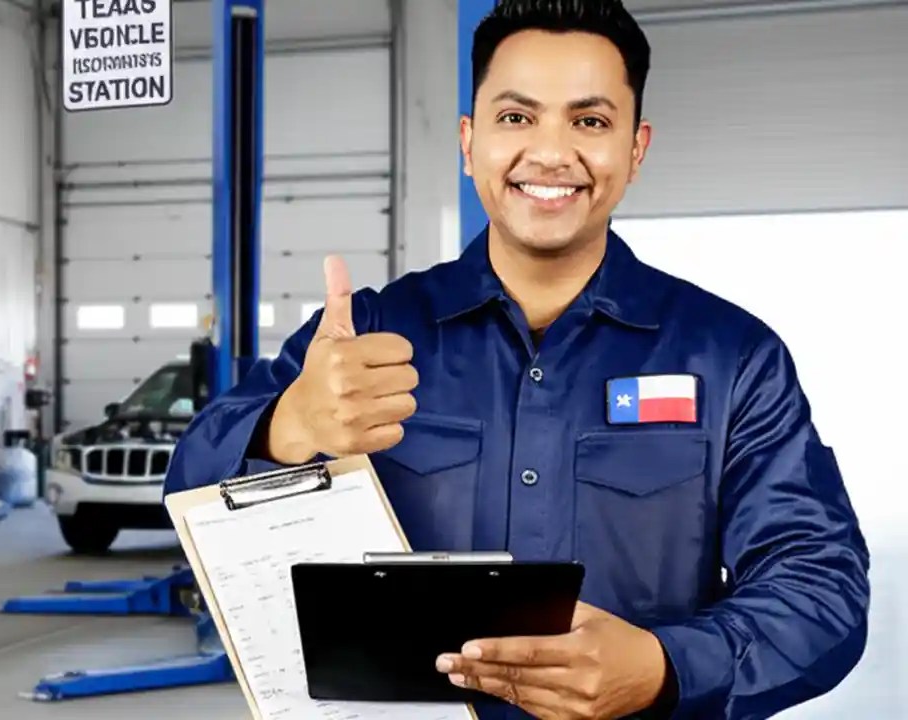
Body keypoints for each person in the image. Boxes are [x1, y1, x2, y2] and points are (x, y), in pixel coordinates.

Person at [162, 0, 871, 717]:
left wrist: (663, 667)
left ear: (635, 148)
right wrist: (286, 425)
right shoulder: (366, 334)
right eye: (516, 117)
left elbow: (821, 588)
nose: (552, 153)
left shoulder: (731, 359)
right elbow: (187, 483)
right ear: (469, 143)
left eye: (590, 121)